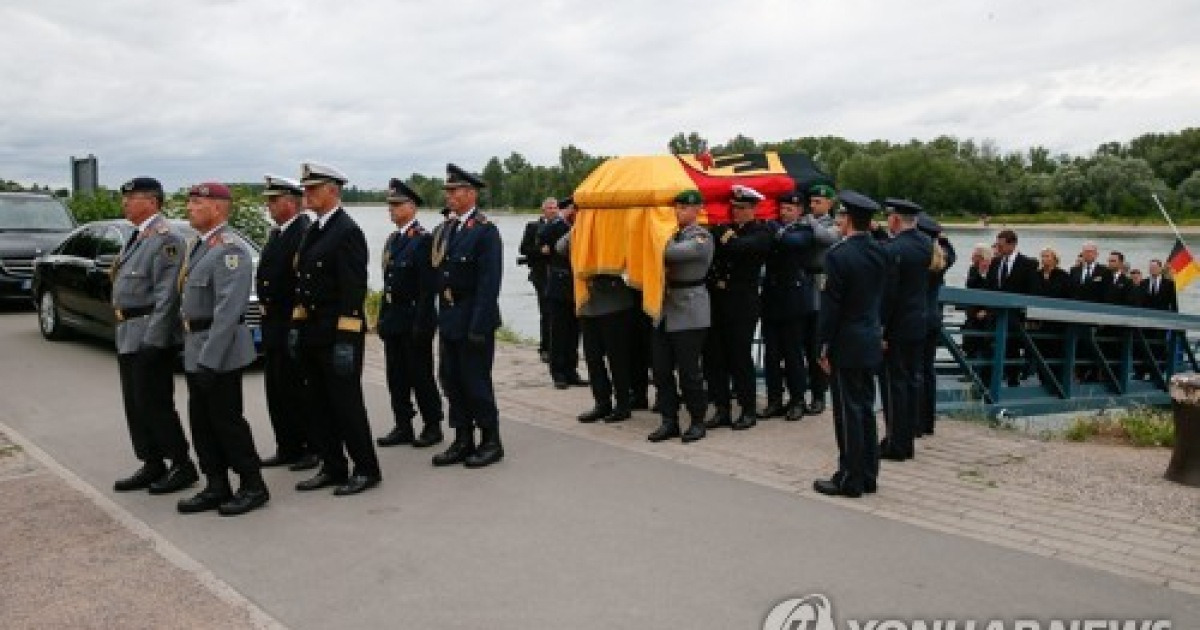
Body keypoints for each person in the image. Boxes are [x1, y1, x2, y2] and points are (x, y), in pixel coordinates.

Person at [175, 182, 268, 516]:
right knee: (201, 422)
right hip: (196, 346)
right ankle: (216, 484)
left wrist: (209, 361)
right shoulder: (200, 246)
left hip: (220, 352)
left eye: (196, 203)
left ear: (216, 208)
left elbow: (228, 312)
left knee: (227, 422)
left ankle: (253, 485)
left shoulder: (230, 250)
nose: (189, 208)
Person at [292, 162, 382, 496]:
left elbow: (352, 290)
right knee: (317, 404)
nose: (307, 194)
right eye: (305, 189)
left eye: (313, 189)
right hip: (313, 332)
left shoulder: (347, 231)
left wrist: (346, 339)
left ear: (332, 191)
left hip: (337, 334)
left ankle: (366, 468)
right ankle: (332, 465)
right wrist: (298, 325)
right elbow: (305, 282)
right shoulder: (314, 229)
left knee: (346, 405)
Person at [111, 177, 198, 495]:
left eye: (132, 198)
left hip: (149, 332)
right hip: (128, 332)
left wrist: (155, 339)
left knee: (155, 403)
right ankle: (152, 461)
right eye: (125, 198)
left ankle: (181, 464)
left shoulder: (165, 238)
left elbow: (167, 295)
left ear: (151, 201)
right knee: (135, 404)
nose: (125, 203)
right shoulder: (138, 236)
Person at [812, 191, 888, 498]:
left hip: (846, 341)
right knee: (865, 408)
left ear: (847, 220)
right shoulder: (881, 251)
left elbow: (831, 307)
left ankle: (849, 477)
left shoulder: (838, 255)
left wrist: (823, 345)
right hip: (870, 337)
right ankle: (868, 474)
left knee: (847, 413)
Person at [431, 163, 505, 468]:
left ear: (471, 193)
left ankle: (491, 440)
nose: (449, 196)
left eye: (455, 191)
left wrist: (478, 326)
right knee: (452, 380)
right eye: (448, 191)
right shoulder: (448, 228)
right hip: (450, 316)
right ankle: (463, 438)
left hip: (474, 318)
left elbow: (489, 284)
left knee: (476, 382)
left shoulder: (485, 231)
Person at [256, 174, 319, 472]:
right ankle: (287, 445)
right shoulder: (278, 233)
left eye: (274, 200)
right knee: (277, 389)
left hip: (291, 322)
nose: (268, 206)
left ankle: (311, 447)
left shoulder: (303, 233)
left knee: (298, 390)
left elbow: (303, 282)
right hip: (273, 323)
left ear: (291, 203)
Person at [376, 179, 444, 449]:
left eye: (396, 205)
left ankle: (432, 424)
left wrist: (423, 324)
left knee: (420, 375)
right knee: (396, 377)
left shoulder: (423, 240)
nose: (391, 210)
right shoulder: (394, 240)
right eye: (390, 205)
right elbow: (388, 283)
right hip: (394, 317)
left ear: (412, 207)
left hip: (414, 318)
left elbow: (428, 289)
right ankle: (403, 424)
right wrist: (382, 317)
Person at [704, 184, 773, 431]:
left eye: (742, 208)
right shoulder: (726, 230)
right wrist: (722, 233)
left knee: (740, 358)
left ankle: (748, 409)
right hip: (719, 300)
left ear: (754, 209)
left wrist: (724, 234)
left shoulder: (762, 232)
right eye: (734, 208)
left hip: (742, 302)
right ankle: (721, 408)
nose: (737, 212)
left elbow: (740, 247)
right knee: (716, 357)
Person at [648, 189, 714, 444]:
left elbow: (670, 253)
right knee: (661, 370)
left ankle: (697, 421)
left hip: (689, 309)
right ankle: (669, 420)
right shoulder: (670, 234)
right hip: (664, 310)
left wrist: (654, 235)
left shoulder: (701, 237)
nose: (678, 212)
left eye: (684, 208)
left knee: (689, 372)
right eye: (676, 207)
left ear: (697, 210)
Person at [560, 229, 638, 423]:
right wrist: (580, 227)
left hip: (614, 302)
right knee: (593, 359)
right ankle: (602, 402)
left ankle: (623, 404)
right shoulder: (583, 229)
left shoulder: (612, 228)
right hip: (589, 304)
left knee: (617, 359)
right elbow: (561, 247)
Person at [877, 199, 932, 462]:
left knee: (894, 384)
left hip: (897, 326)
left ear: (896, 219)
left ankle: (896, 443)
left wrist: (881, 328)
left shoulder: (894, 248)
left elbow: (889, 294)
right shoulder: (924, 244)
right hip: (918, 321)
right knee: (910, 382)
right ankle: (907, 437)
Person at [760, 191, 815, 421]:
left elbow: (794, 242)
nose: (784, 213)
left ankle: (797, 400)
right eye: (782, 208)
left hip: (793, 299)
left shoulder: (805, 230)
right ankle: (774, 399)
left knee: (793, 354)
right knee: (771, 354)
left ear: (800, 210)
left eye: (789, 209)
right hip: (772, 297)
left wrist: (776, 230)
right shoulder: (772, 228)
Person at [797, 183, 841, 415]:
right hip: (802, 282)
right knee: (801, 342)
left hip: (821, 284)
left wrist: (809, 221)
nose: (813, 206)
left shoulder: (833, 224)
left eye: (818, 202)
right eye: (811, 202)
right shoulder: (804, 223)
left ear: (829, 204)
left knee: (817, 344)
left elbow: (826, 238)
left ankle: (819, 394)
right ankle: (799, 393)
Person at [539, 197, 587, 388]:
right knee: (558, 332)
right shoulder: (556, 226)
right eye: (573, 209)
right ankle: (558, 372)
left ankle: (571, 370)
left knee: (574, 332)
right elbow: (543, 235)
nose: (576, 213)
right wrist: (560, 218)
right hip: (559, 286)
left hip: (576, 286)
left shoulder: (581, 226)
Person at [916, 212, 955, 437]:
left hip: (916, 318)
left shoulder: (918, 258)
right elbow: (952, 253)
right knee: (928, 370)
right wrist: (943, 239)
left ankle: (916, 420)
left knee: (915, 370)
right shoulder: (942, 259)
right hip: (933, 318)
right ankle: (927, 421)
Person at [985, 229, 1038, 387]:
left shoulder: (1028, 264)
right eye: (997, 245)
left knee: (1013, 348)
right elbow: (989, 287)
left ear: (1012, 244)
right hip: (995, 315)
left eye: (1001, 245)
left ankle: (1013, 380)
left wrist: (1028, 315)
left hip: (1016, 316)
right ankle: (990, 381)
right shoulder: (995, 262)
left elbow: (1032, 290)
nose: (998, 248)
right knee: (990, 346)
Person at [518, 197, 558, 362]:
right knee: (546, 311)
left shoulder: (561, 226)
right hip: (540, 274)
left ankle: (557, 347)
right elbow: (523, 249)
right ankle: (545, 347)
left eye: (555, 208)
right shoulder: (533, 227)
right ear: (543, 210)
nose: (553, 211)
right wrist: (540, 250)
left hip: (558, 275)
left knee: (557, 312)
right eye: (550, 208)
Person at [962, 244, 994, 380]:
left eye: (975, 255)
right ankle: (970, 372)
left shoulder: (993, 268)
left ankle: (982, 375)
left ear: (982, 256)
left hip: (986, 313)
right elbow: (969, 284)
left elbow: (993, 290)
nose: (972, 257)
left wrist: (987, 311)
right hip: (973, 313)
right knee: (969, 342)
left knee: (985, 344)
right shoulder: (973, 269)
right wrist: (980, 273)